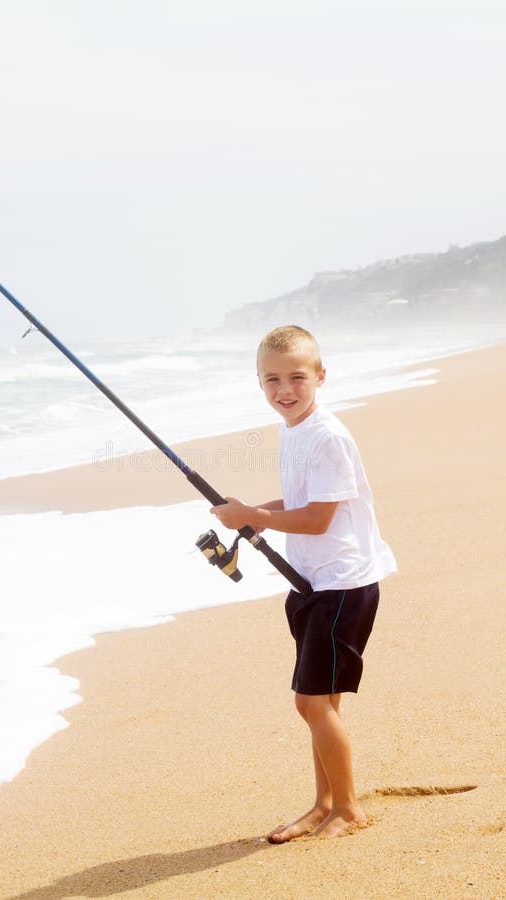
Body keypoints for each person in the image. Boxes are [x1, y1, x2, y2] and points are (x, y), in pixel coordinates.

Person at [210, 325, 396, 840]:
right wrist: (251, 512)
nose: (284, 389)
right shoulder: (293, 431)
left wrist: (259, 517)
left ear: (320, 376)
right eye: (272, 379)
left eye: (297, 377)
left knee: (310, 702)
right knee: (323, 702)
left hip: (343, 584)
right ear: (259, 382)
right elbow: (298, 505)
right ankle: (324, 805)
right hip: (311, 582)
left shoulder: (328, 436)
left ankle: (349, 809)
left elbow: (318, 520)